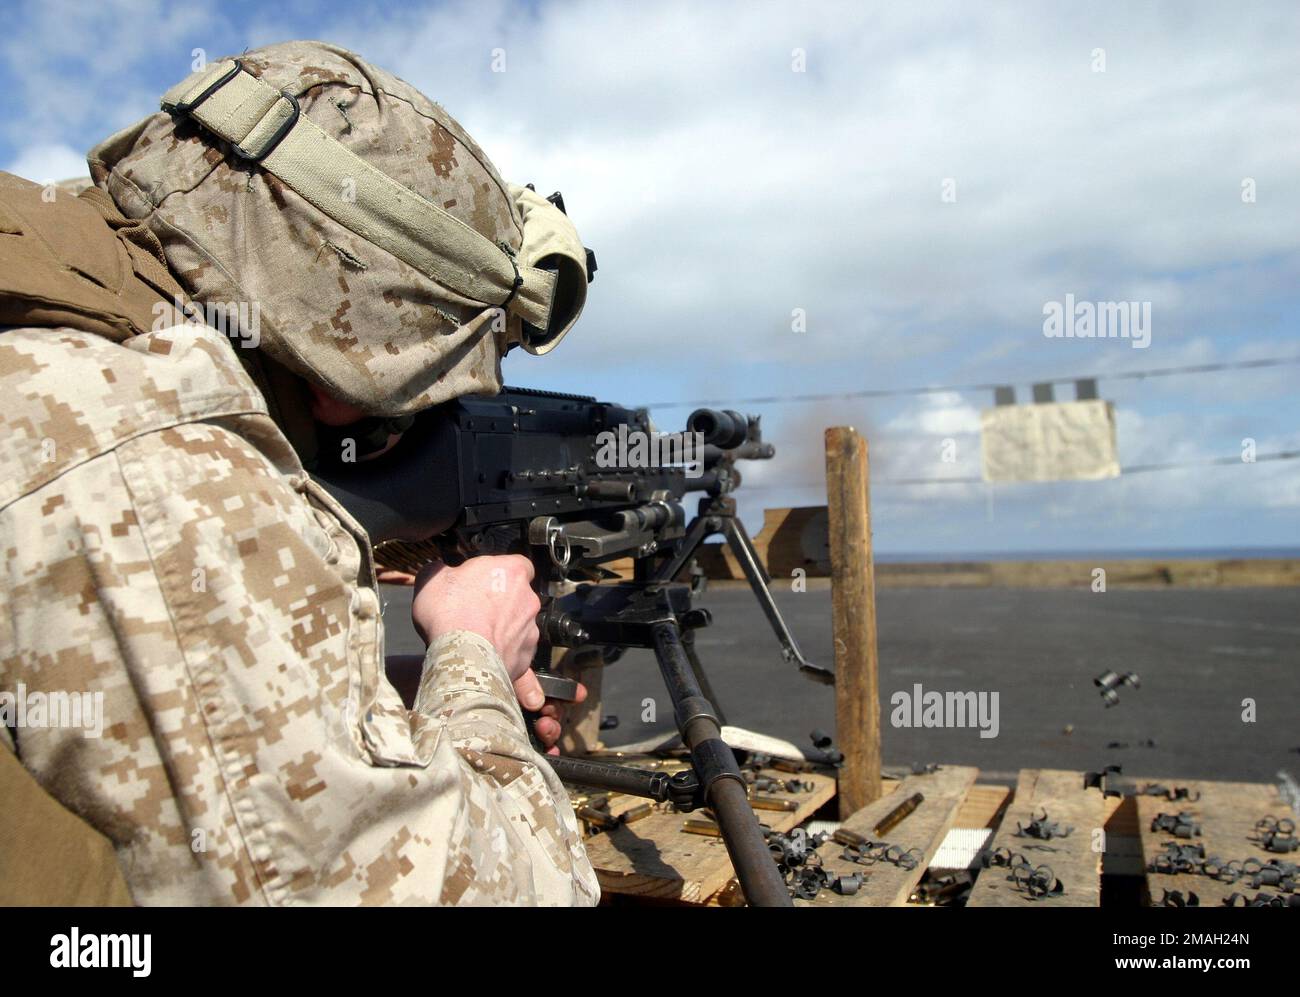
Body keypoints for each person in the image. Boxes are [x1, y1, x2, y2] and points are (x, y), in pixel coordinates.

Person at [0, 40, 599, 905]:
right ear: (352, 371)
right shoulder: (153, 457)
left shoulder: (59, 311)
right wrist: (473, 653)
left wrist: (346, 706)